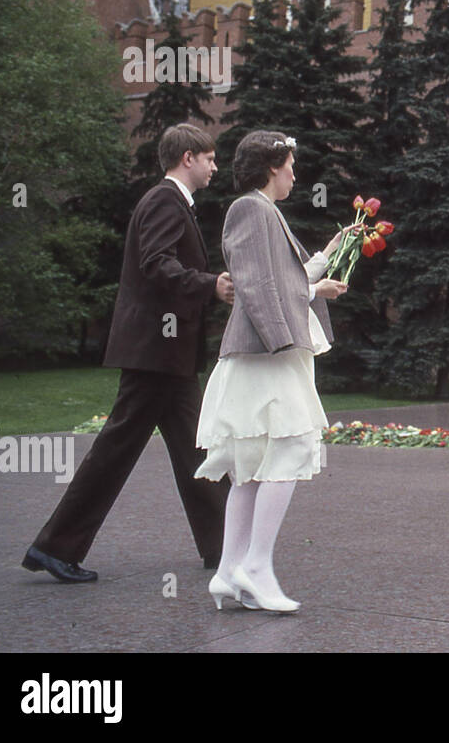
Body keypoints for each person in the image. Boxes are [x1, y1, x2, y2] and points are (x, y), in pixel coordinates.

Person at [23, 124, 235, 583]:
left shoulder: (171, 202)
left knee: (198, 446)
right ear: (187, 159)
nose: (215, 167)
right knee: (118, 449)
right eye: (210, 159)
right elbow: (157, 264)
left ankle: (227, 546)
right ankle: (54, 547)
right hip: (156, 354)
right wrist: (209, 285)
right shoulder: (164, 200)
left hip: (165, 355)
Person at [196, 131, 348, 613]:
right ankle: (256, 566)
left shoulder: (264, 210)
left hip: (263, 353)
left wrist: (321, 265)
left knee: (252, 467)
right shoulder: (252, 209)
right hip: (267, 354)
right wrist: (284, 337)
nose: (294, 174)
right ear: (271, 166)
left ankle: (228, 570)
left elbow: (281, 279)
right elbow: (256, 282)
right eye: (289, 165)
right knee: (288, 450)